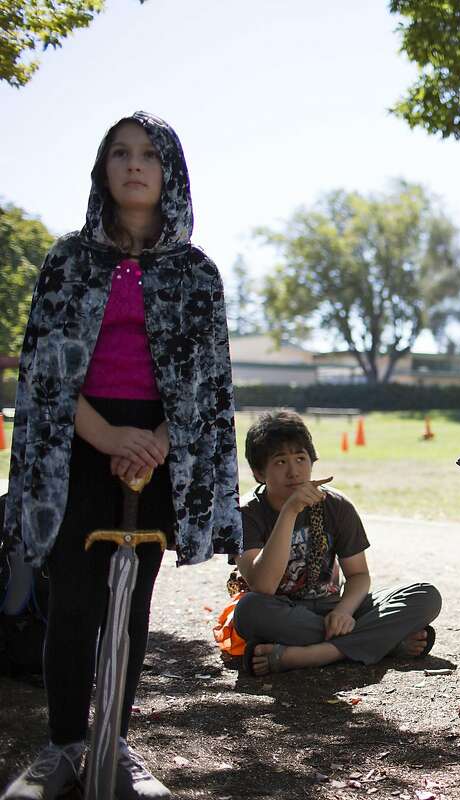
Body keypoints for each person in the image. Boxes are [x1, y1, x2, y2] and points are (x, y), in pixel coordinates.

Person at [2, 112, 242, 800]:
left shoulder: (197, 273)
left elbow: (206, 380)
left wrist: (157, 442)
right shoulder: (68, 260)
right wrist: (107, 438)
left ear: (170, 171)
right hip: (79, 441)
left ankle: (118, 745)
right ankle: (62, 749)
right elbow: (44, 371)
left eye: (149, 154)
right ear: (103, 170)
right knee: (73, 599)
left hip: (162, 448)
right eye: (120, 153)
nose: (134, 165)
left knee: (131, 602)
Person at [233, 411, 441, 677]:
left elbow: (358, 575)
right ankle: (384, 642)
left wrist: (344, 611)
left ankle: (316, 654)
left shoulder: (335, 505)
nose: (294, 471)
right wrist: (289, 512)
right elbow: (263, 586)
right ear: (259, 472)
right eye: (280, 462)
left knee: (425, 595)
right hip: (283, 612)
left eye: (300, 459)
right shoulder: (246, 513)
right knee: (249, 611)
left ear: (312, 461)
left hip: (334, 606)